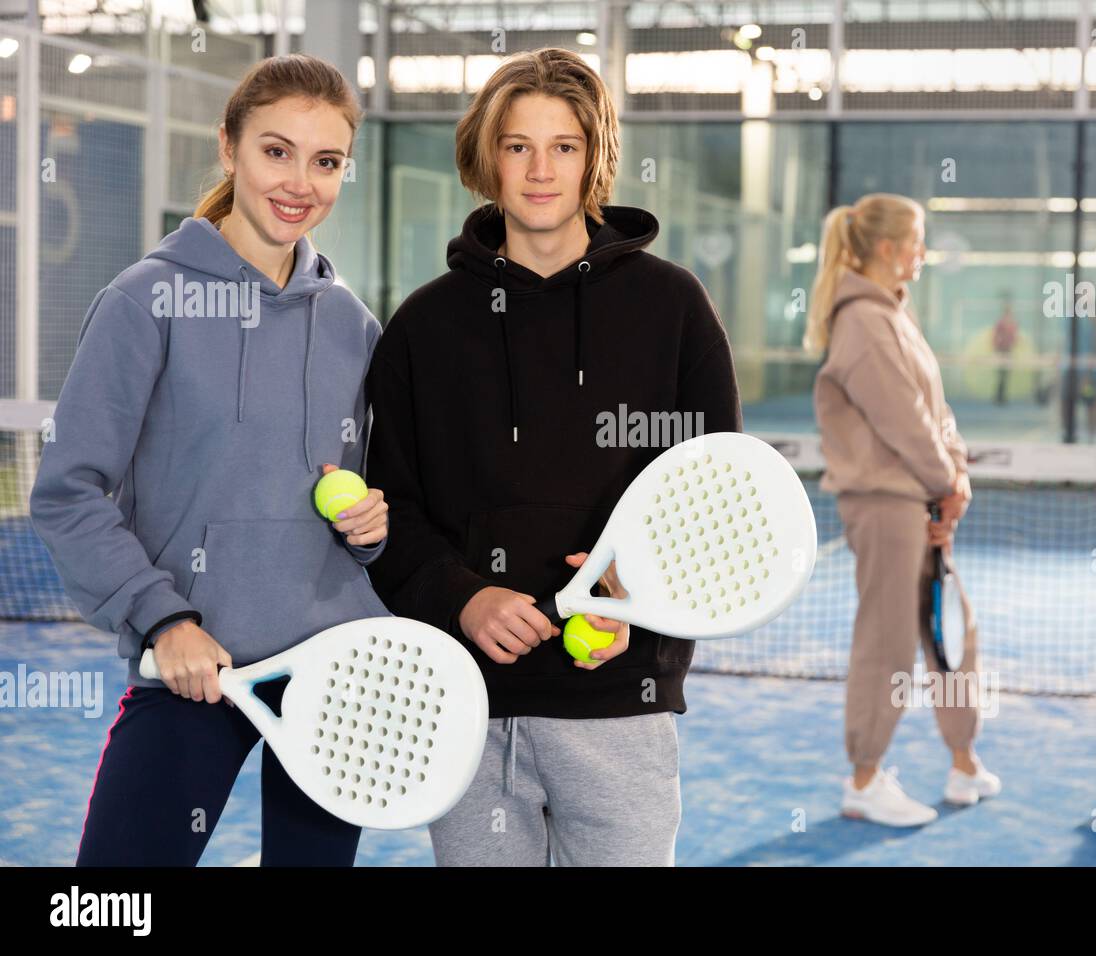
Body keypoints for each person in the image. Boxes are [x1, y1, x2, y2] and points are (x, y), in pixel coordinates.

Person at [363, 48, 741, 866]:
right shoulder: (423, 328)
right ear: (485, 157)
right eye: (518, 146)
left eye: (563, 146)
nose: (540, 171)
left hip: (622, 705)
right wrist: (463, 598)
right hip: (465, 706)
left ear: (594, 158)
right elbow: (391, 517)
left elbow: (716, 500)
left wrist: (633, 597)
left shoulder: (673, 306)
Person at [29, 54, 390, 866]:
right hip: (195, 671)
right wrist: (166, 618)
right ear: (229, 149)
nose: (301, 182)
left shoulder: (353, 326)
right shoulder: (142, 301)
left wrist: (370, 528)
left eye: (326, 161)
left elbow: (362, 501)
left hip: (334, 681)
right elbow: (70, 491)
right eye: (276, 151)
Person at [805, 193, 1000, 827]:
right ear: (888, 248)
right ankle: (863, 779)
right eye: (917, 241)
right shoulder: (863, 320)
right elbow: (903, 421)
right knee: (887, 640)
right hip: (887, 507)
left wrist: (955, 480)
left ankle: (964, 761)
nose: (923, 253)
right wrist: (946, 482)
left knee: (951, 633)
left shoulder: (893, 316)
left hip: (918, 499)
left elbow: (935, 414)